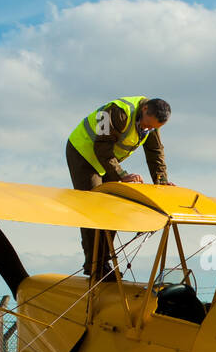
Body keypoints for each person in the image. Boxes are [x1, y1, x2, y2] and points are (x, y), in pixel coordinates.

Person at [66, 96, 174, 279]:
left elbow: (155, 151)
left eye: (153, 128)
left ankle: (104, 262)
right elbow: (100, 147)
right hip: (83, 154)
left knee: (113, 207)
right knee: (93, 207)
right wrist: (122, 175)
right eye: (147, 124)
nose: (147, 129)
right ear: (144, 109)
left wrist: (161, 181)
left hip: (108, 161)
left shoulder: (151, 124)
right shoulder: (114, 111)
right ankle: (94, 267)